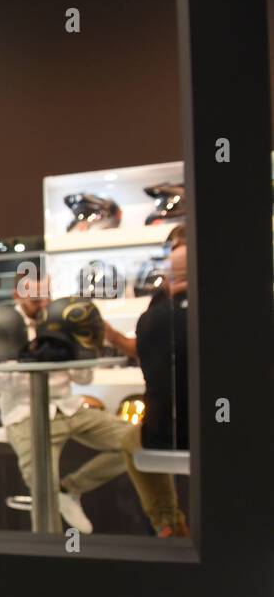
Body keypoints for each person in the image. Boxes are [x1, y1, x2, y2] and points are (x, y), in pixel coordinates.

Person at [0, 275, 128, 533]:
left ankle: (70, 489)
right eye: (35, 300)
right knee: (43, 488)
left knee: (134, 441)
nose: (43, 305)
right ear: (18, 296)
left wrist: (82, 348)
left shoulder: (60, 320)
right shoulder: (5, 326)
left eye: (46, 298)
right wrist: (23, 360)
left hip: (68, 407)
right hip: (26, 415)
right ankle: (49, 549)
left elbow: (84, 379)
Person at [104, 225, 189, 537]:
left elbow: (148, 353)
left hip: (166, 431)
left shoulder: (153, 317)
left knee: (130, 441)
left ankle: (167, 523)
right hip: (210, 426)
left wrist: (111, 335)